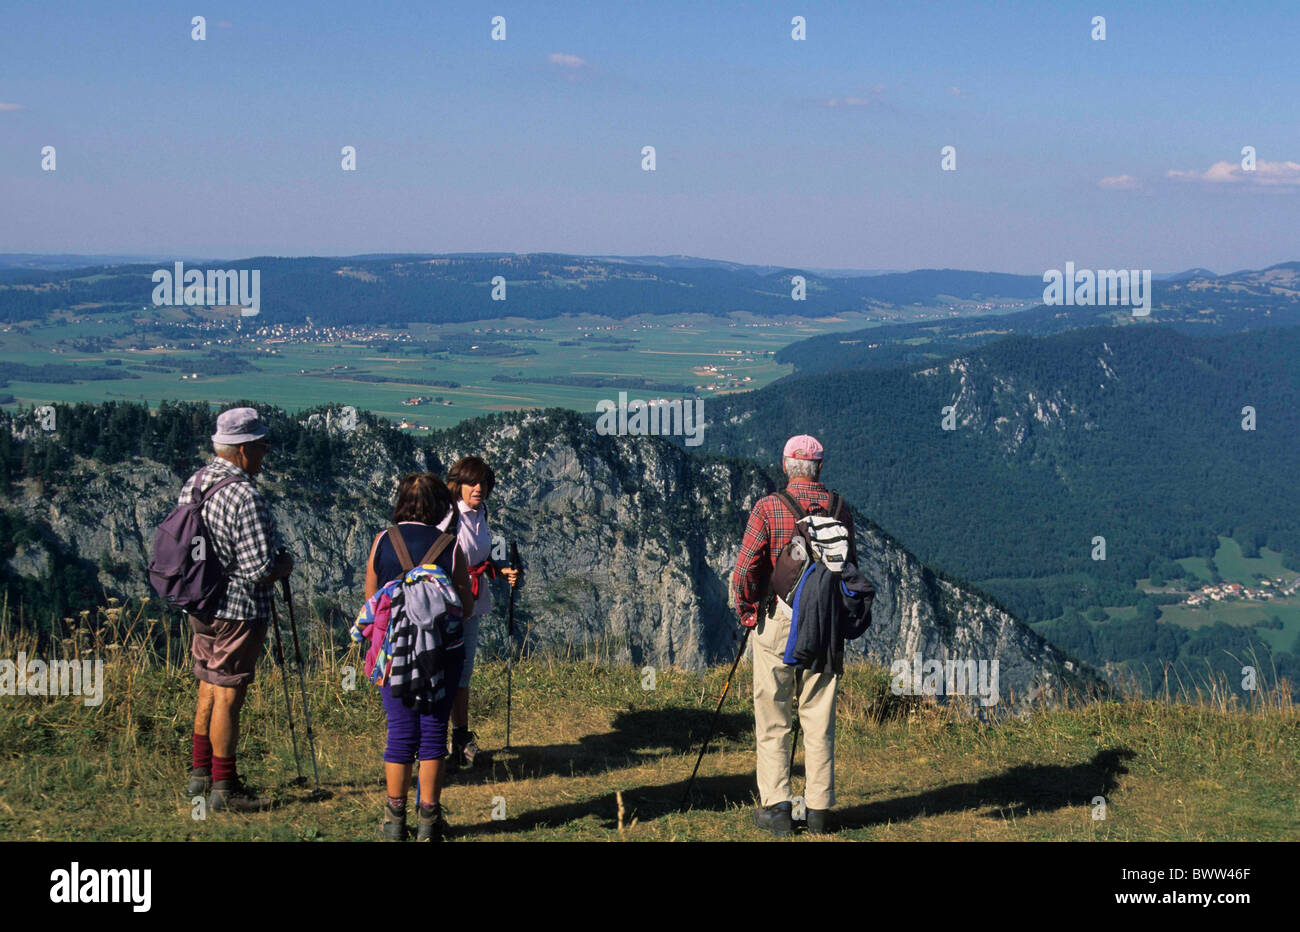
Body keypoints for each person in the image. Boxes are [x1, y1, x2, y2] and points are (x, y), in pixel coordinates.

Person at [732, 434, 857, 837]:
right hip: (825, 622)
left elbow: (746, 570)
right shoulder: (840, 508)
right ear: (819, 467)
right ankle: (819, 810)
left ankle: (777, 808)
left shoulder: (769, 507)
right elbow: (849, 566)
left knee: (774, 716)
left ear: (786, 466)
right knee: (818, 716)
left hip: (779, 620)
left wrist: (748, 611)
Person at [182, 407, 293, 813]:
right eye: (261, 445)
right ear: (243, 450)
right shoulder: (245, 494)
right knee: (230, 693)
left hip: (200, 603)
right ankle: (225, 789)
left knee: (209, 684)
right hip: (238, 610)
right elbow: (258, 569)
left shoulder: (195, 484)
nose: (264, 453)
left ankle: (200, 775)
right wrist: (284, 566)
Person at [361, 473, 475, 841]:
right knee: (432, 735)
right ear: (439, 506)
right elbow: (465, 605)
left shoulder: (383, 541)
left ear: (402, 503)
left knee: (400, 732)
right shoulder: (449, 545)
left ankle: (394, 821)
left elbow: (371, 597)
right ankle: (429, 820)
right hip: (439, 655)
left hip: (393, 654)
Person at [444, 456, 520, 770]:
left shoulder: (481, 513)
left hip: (472, 603)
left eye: (484, 483)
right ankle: (439, 743)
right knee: (446, 672)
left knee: (462, 673)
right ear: (457, 484)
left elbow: (479, 556)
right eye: (472, 482)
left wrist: (499, 572)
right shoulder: (447, 517)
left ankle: (459, 739)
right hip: (447, 604)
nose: (478, 488)